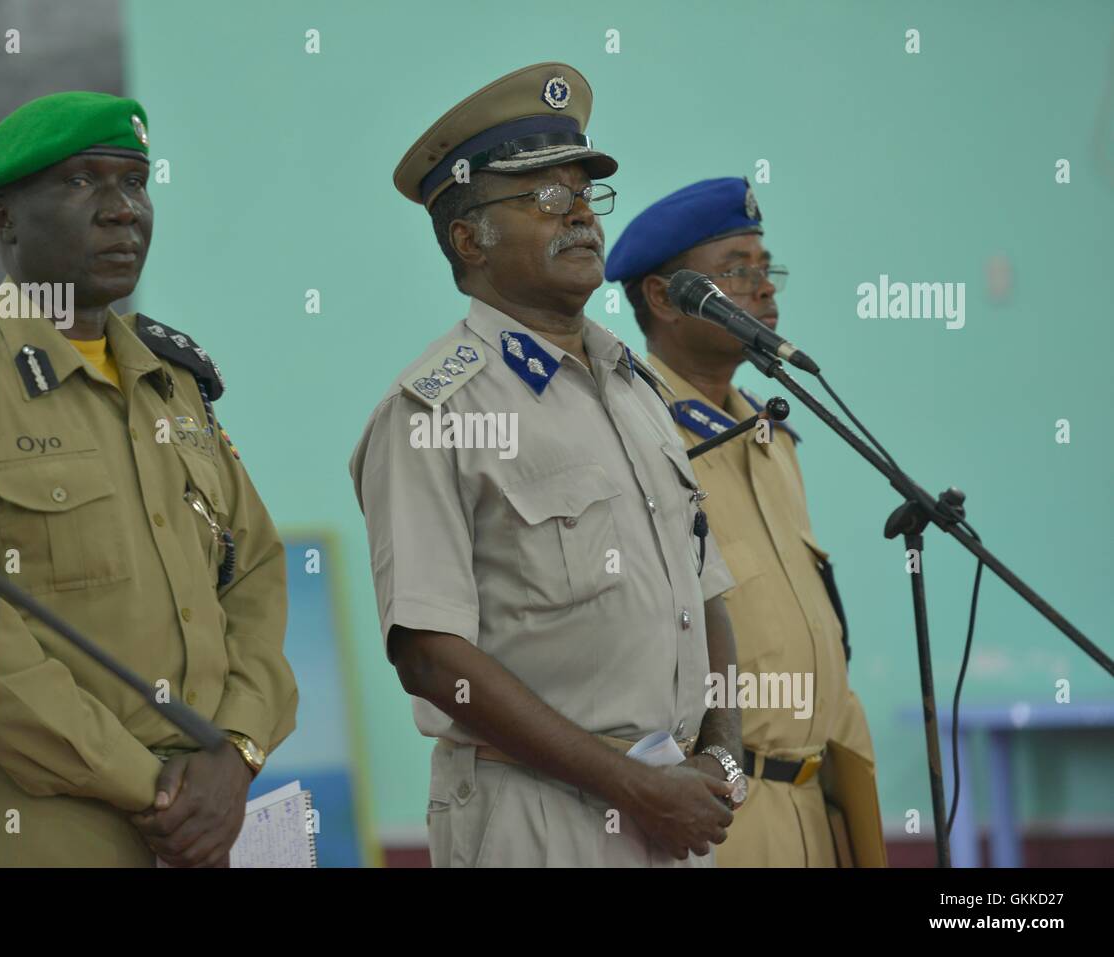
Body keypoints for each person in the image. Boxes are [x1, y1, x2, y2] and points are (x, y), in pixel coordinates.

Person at [0, 91, 297, 867]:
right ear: (4, 220)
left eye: (135, 181)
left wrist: (235, 753)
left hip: (209, 822)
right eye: (84, 182)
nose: (124, 210)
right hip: (37, 821)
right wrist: (156, 788)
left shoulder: (173, 379)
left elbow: (252, 572)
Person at [350, 63, 746, 868]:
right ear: (469, 238)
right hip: (533, 817)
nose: (581, 218)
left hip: (678, 812)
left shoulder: (632, 386)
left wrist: (722, 756)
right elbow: (430, 657)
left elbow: (703, 594)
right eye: (543, 197)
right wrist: (633, 787)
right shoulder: (434, 410)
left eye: (584, 193)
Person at [604, 176, 884, 866]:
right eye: (735, 270)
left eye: (766, 269)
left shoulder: (771, 435)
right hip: (722, 815)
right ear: (663, 298)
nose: (764, 289)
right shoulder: (632, 435)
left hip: (817, 805)